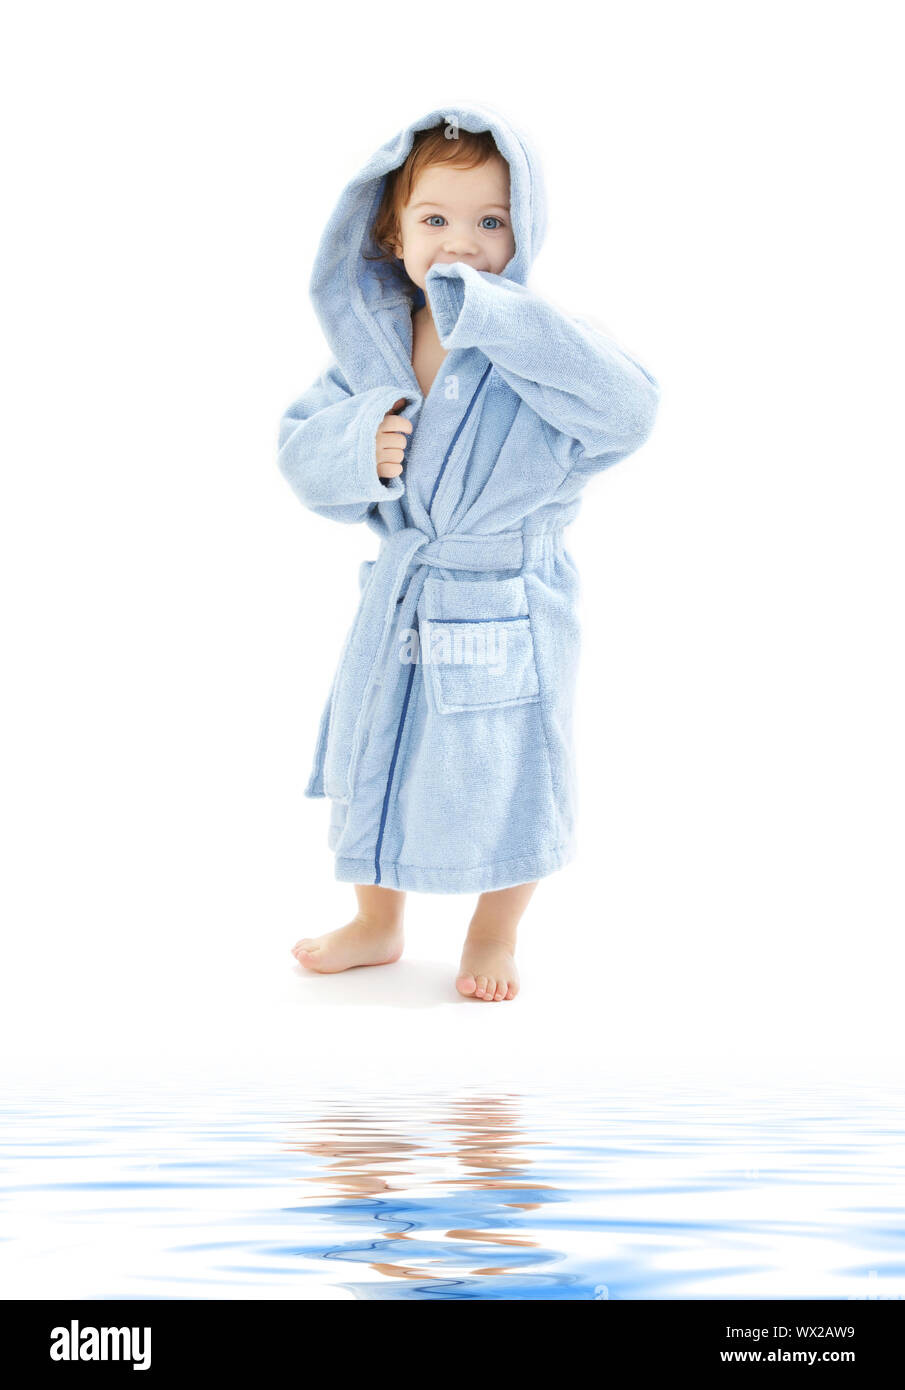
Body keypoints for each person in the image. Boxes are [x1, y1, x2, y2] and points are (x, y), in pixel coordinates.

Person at [277, 103, 660, 1001]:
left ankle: (495, 933)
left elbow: (627, 412)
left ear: (522, 231)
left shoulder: (538, 341)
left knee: (509, 766)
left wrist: (502, 322)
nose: (462, 243)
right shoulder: (369, 347)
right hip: (405, 590)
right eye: (435, 220)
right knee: (377, 751)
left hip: (508, 596)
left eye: (490, 221)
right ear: (390, 230)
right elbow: (298, 446)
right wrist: (360, 441)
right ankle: (378, 922)